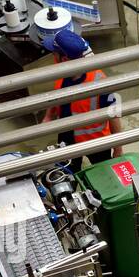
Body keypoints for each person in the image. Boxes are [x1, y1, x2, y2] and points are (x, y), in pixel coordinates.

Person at [40, 28, 124, 172]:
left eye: (54, 53)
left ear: (64, 59)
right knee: (67, 176)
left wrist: (118, 149)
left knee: (103, 176)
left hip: (97, 143)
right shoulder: (61, 73)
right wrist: (48, 117)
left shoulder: (99, 81)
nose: (52, 56)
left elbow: (114, 116)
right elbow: (57, 97)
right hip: (67, 139)